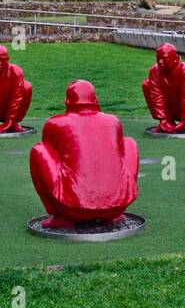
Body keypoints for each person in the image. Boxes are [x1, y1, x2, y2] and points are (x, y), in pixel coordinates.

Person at [29, 80, 139, 229]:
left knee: (39, 150)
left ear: (67, 101)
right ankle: (115, 212)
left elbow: (51, 158)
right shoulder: (113, 121)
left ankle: (59, 215)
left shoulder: (55, 123)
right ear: (95, 100)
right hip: (116, 206)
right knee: (129, 143)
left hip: (72, 209)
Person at [142, 43, 185, 134]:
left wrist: (183, 121)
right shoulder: (154, 71)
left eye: (164, 58)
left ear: (175, 59)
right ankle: (168, 121)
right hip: (171, 108)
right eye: (158, 58)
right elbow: (156, 96)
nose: (160, 61)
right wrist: (163, 119)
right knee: (147, 85)